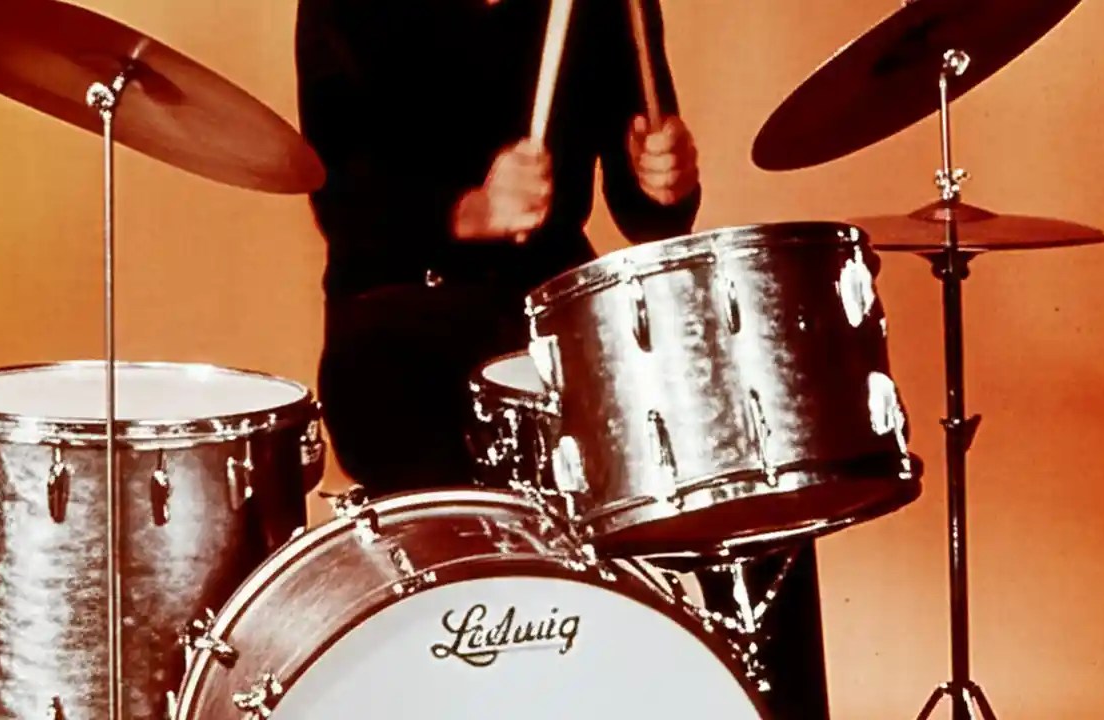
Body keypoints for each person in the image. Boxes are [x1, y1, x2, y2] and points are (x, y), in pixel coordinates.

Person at [294, 1, 828, 717]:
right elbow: (340, 198)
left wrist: (663, 178)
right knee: (464, 543)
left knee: (748, 473)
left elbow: (649, 215)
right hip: (394, 322)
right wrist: (467, 212)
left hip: (552, 316)